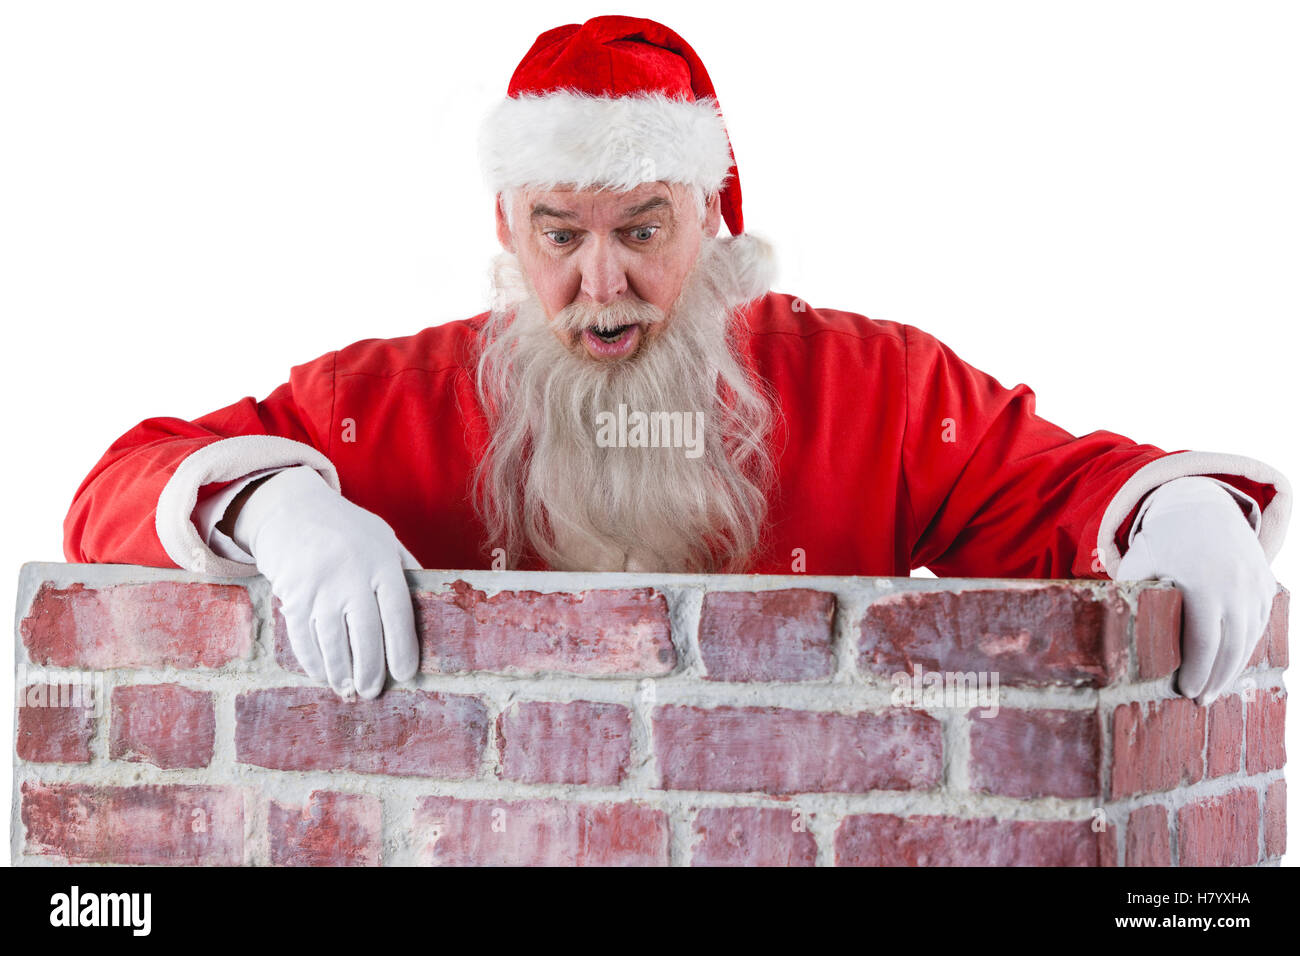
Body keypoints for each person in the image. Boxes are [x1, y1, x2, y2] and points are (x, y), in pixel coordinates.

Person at [64, 15, 1289, 708]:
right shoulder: (396, 402)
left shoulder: (869, 388)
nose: (603, 286)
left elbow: (1055, 489)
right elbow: (119, 484)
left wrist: (1176, 504)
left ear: (710, 218)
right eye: (561, 236)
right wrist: (270, 502)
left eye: (642, 230)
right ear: (507, 230)